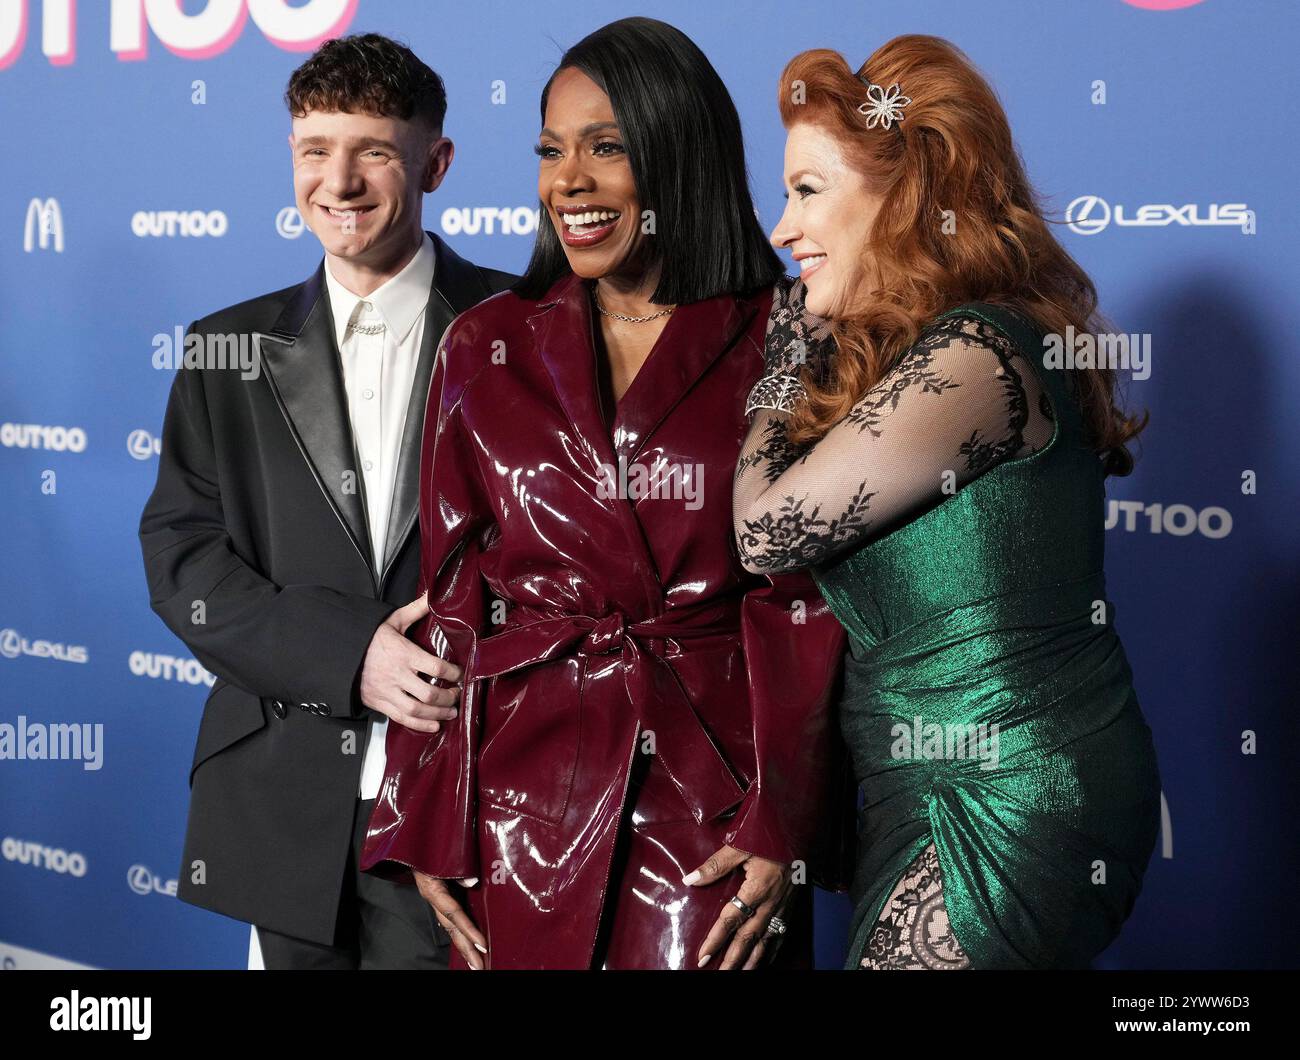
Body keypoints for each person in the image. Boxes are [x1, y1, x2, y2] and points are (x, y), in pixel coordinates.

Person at [360, 17, 853, 970]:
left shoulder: (787, 334)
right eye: (550, 150)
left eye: (605, 147)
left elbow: (808, 602)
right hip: (517, 800)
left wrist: (783, 817)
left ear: (679, 154)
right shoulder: (485, 343)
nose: (567, 181)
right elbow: (456, 600)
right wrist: (425, 816)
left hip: (711, 803)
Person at [732, 35, 1162, 970]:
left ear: (908, 193)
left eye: (808, 190)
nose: (781, 226)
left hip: (1009, 787)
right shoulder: (934, 352)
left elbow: (766, 529)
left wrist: (782, 358)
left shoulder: (978, 355)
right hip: (920, 782)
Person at [138, 33, 515, 970]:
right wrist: (351, 655)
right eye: (314, 151)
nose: (337, 183)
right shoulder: (224, 349)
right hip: (282, 799)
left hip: (468, 798)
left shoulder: (524, 330)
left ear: (436, 161)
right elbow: (182, 557)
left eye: (374, 152)